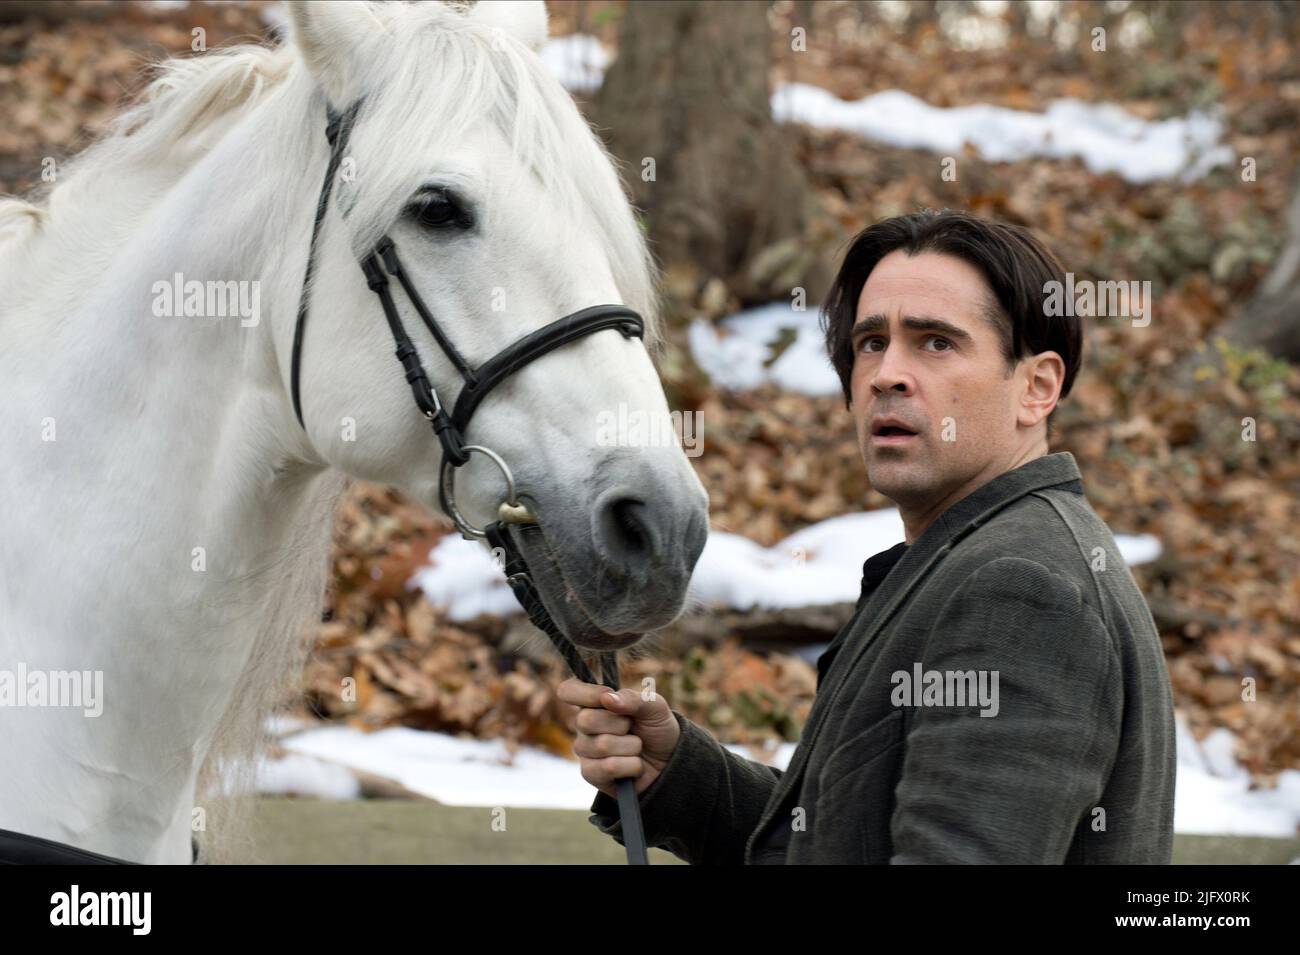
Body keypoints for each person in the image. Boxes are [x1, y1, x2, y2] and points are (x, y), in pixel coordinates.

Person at [558, 209, 1176, 864]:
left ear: (1036, 387)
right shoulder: (968, 558)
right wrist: (684, 779)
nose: (887, 374)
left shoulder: (1019, 588)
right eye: (872, 342)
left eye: (936, 342)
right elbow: (843, 842)